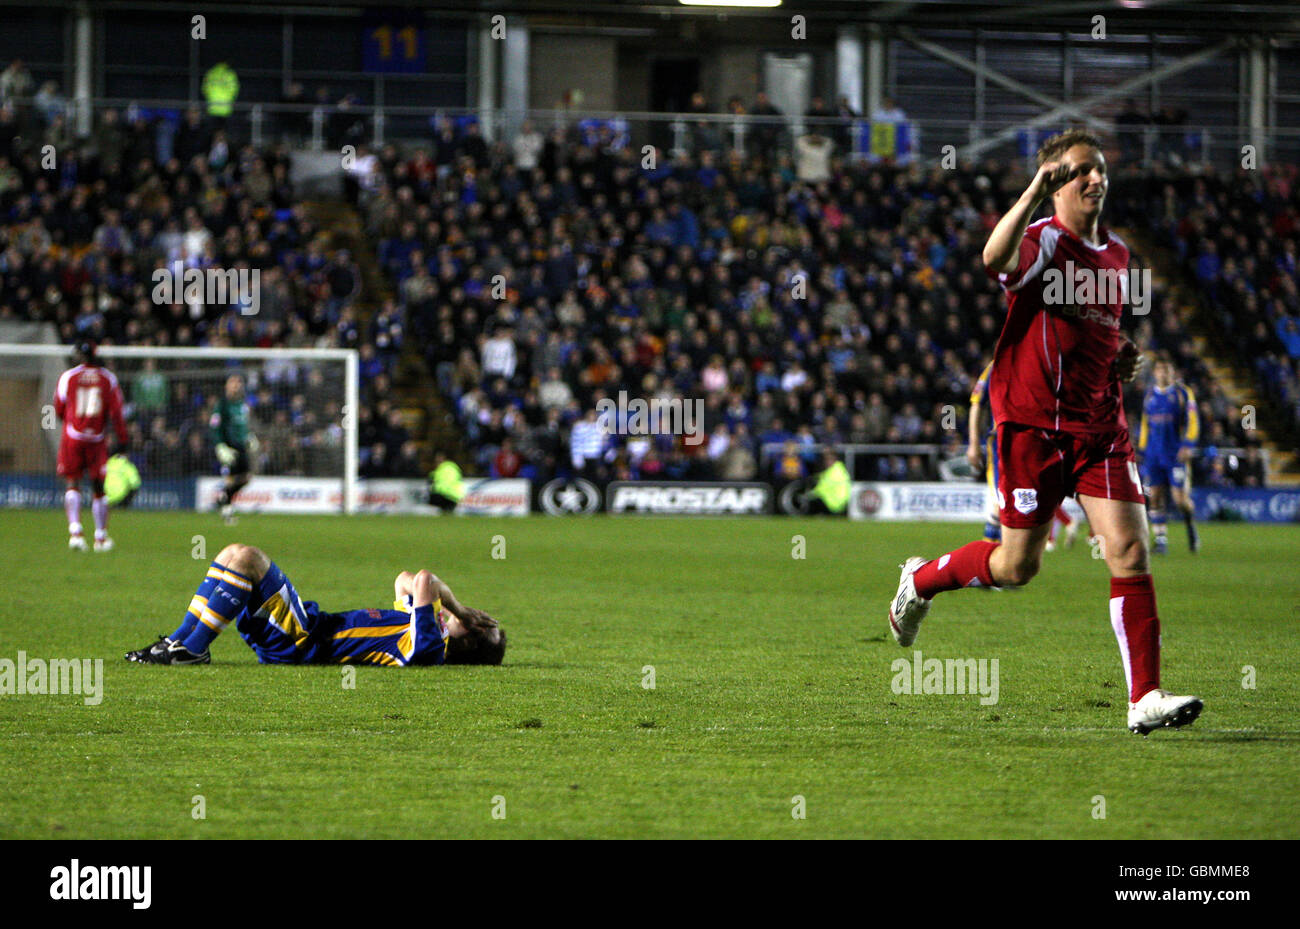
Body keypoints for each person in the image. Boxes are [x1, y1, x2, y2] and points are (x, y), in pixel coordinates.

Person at [885, 129, 1202, 736]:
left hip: (1100, 427)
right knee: (1016, 567)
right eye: (1079, 171)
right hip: (1032, 427)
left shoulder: (1120, 256)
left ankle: (1144, 697)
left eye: (1099, 169)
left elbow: (1101, 329)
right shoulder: (1044, 240)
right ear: (1056, 183)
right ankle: (920, 578)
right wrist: (1033, 189)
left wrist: (1122, 357)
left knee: (1130, 549)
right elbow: (992, 260)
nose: (1094, 179)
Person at [125, 543, 505, 667]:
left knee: (248, 558)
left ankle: (191, 649)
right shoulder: (425, 629)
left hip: (304, 641)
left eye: (480, 621)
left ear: (471, 636)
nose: (474, 614)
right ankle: (180, 644)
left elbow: (424, 580)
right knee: (231, 554)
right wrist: (452, 612)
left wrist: (458, 607)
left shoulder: (428, 647)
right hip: (304, 629)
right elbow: (403, 580)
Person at [55, 342, 128, 552]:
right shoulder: (108, 378)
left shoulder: (68, 376)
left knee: (73, 482)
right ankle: (100, 537)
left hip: (72, 437)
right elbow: (117, 412)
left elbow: (58, 408)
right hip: (96, 440)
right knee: (98, 488)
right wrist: (123, 440)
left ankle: (75, 534)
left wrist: (70, 421)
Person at [1138, 353, 1200, 554]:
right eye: (1160, 369)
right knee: (1155, 496)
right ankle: (1161, 541)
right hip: (1154, 455)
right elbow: (1145, 425)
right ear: (1155, 372)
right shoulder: (1149, 396)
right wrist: (1141, 449)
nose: (1163, 373)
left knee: (1179, 499)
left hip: (1175, 455)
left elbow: (1193, 420)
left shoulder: (1182, 393)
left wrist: (1188, 444)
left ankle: (1190, 524)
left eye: (1167, 369)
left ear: (1172, 372)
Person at [210, 373, 257, 524]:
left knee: (246, 478)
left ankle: (222, 498)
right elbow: (215, 426)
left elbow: (243, 426)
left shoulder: (243, 405)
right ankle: (226, 512)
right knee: (230, 479)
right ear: (227, 386)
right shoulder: (222, 405)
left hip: (241, 446)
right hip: (229, 447)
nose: (236, 386)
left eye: (238, 382)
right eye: (233, 382)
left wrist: (249, 437)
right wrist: (220, 445)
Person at [807, 449, 850, 515]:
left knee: (812, 498)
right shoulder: (840, 469)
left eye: (829, 460)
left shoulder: (834, 472)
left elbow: (821, 488)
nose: (827, 462)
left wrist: (808, 495)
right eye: (826, 460)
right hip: (843, 503)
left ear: (834, 460)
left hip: (833, 504)